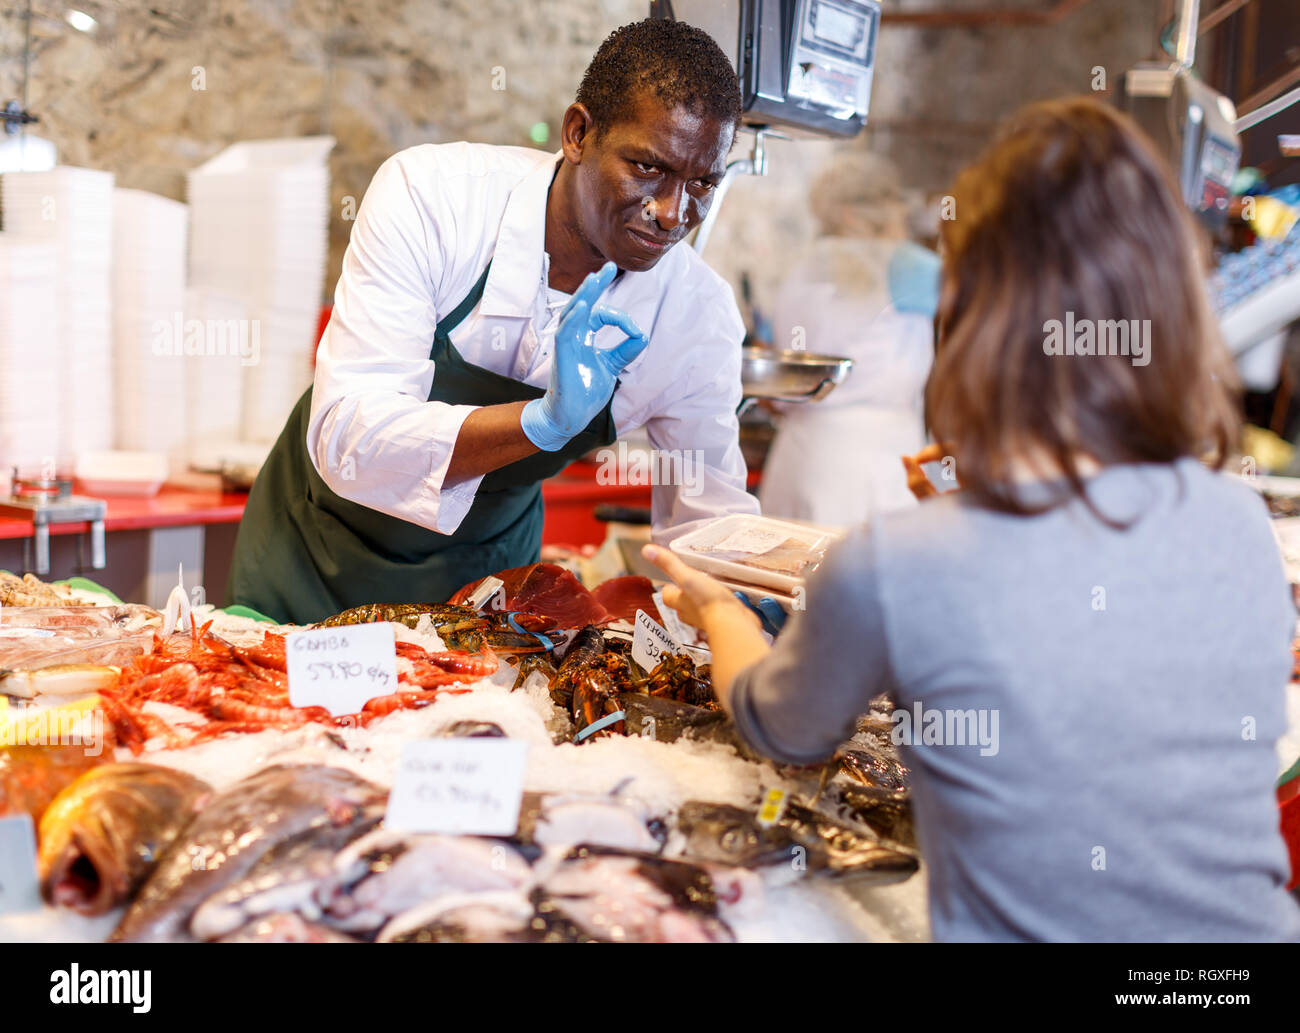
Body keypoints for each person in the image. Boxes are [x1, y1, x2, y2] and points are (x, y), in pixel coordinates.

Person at [645, 96, 1300, 942]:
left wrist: (720, 609)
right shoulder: (1236, 520)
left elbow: (780, 726)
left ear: (980, 309)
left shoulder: (903, 560)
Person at [228, 19, 758, 624]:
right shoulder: (434, 197)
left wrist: (756, 610)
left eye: (703, 184)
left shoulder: (694, 314)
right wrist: (540, 423)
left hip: (487, 579)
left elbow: (706, 517)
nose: (671, 213)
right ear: (578, 133)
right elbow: (351, 434)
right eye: (647, 168)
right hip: (318, 554)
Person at [757, 150, 939, 525]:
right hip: (874, 462)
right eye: (897, 210)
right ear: (863, 212)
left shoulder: (798, 264)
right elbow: (993, 298)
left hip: (798, 452)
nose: (902, 221)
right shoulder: (904, 264)